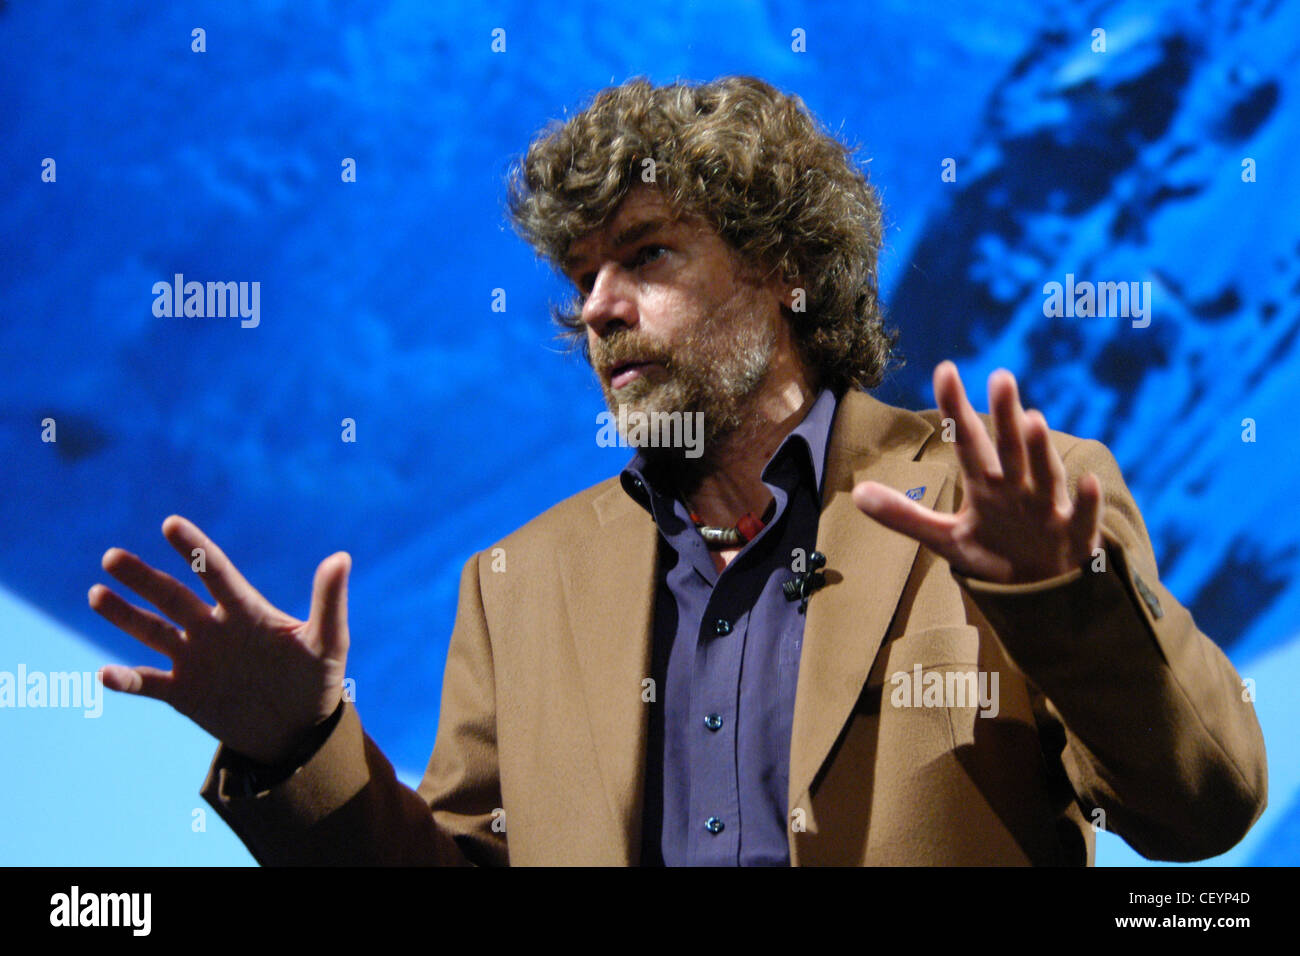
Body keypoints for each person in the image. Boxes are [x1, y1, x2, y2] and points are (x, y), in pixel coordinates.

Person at [88, 75, 1267, 866]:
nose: (596, 307)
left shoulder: (1015, 500)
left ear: (785, 274)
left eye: (646, 254)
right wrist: (300, 747)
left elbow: (1200, 806)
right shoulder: (518, 582)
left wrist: (1057, 602)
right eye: (582, 274)